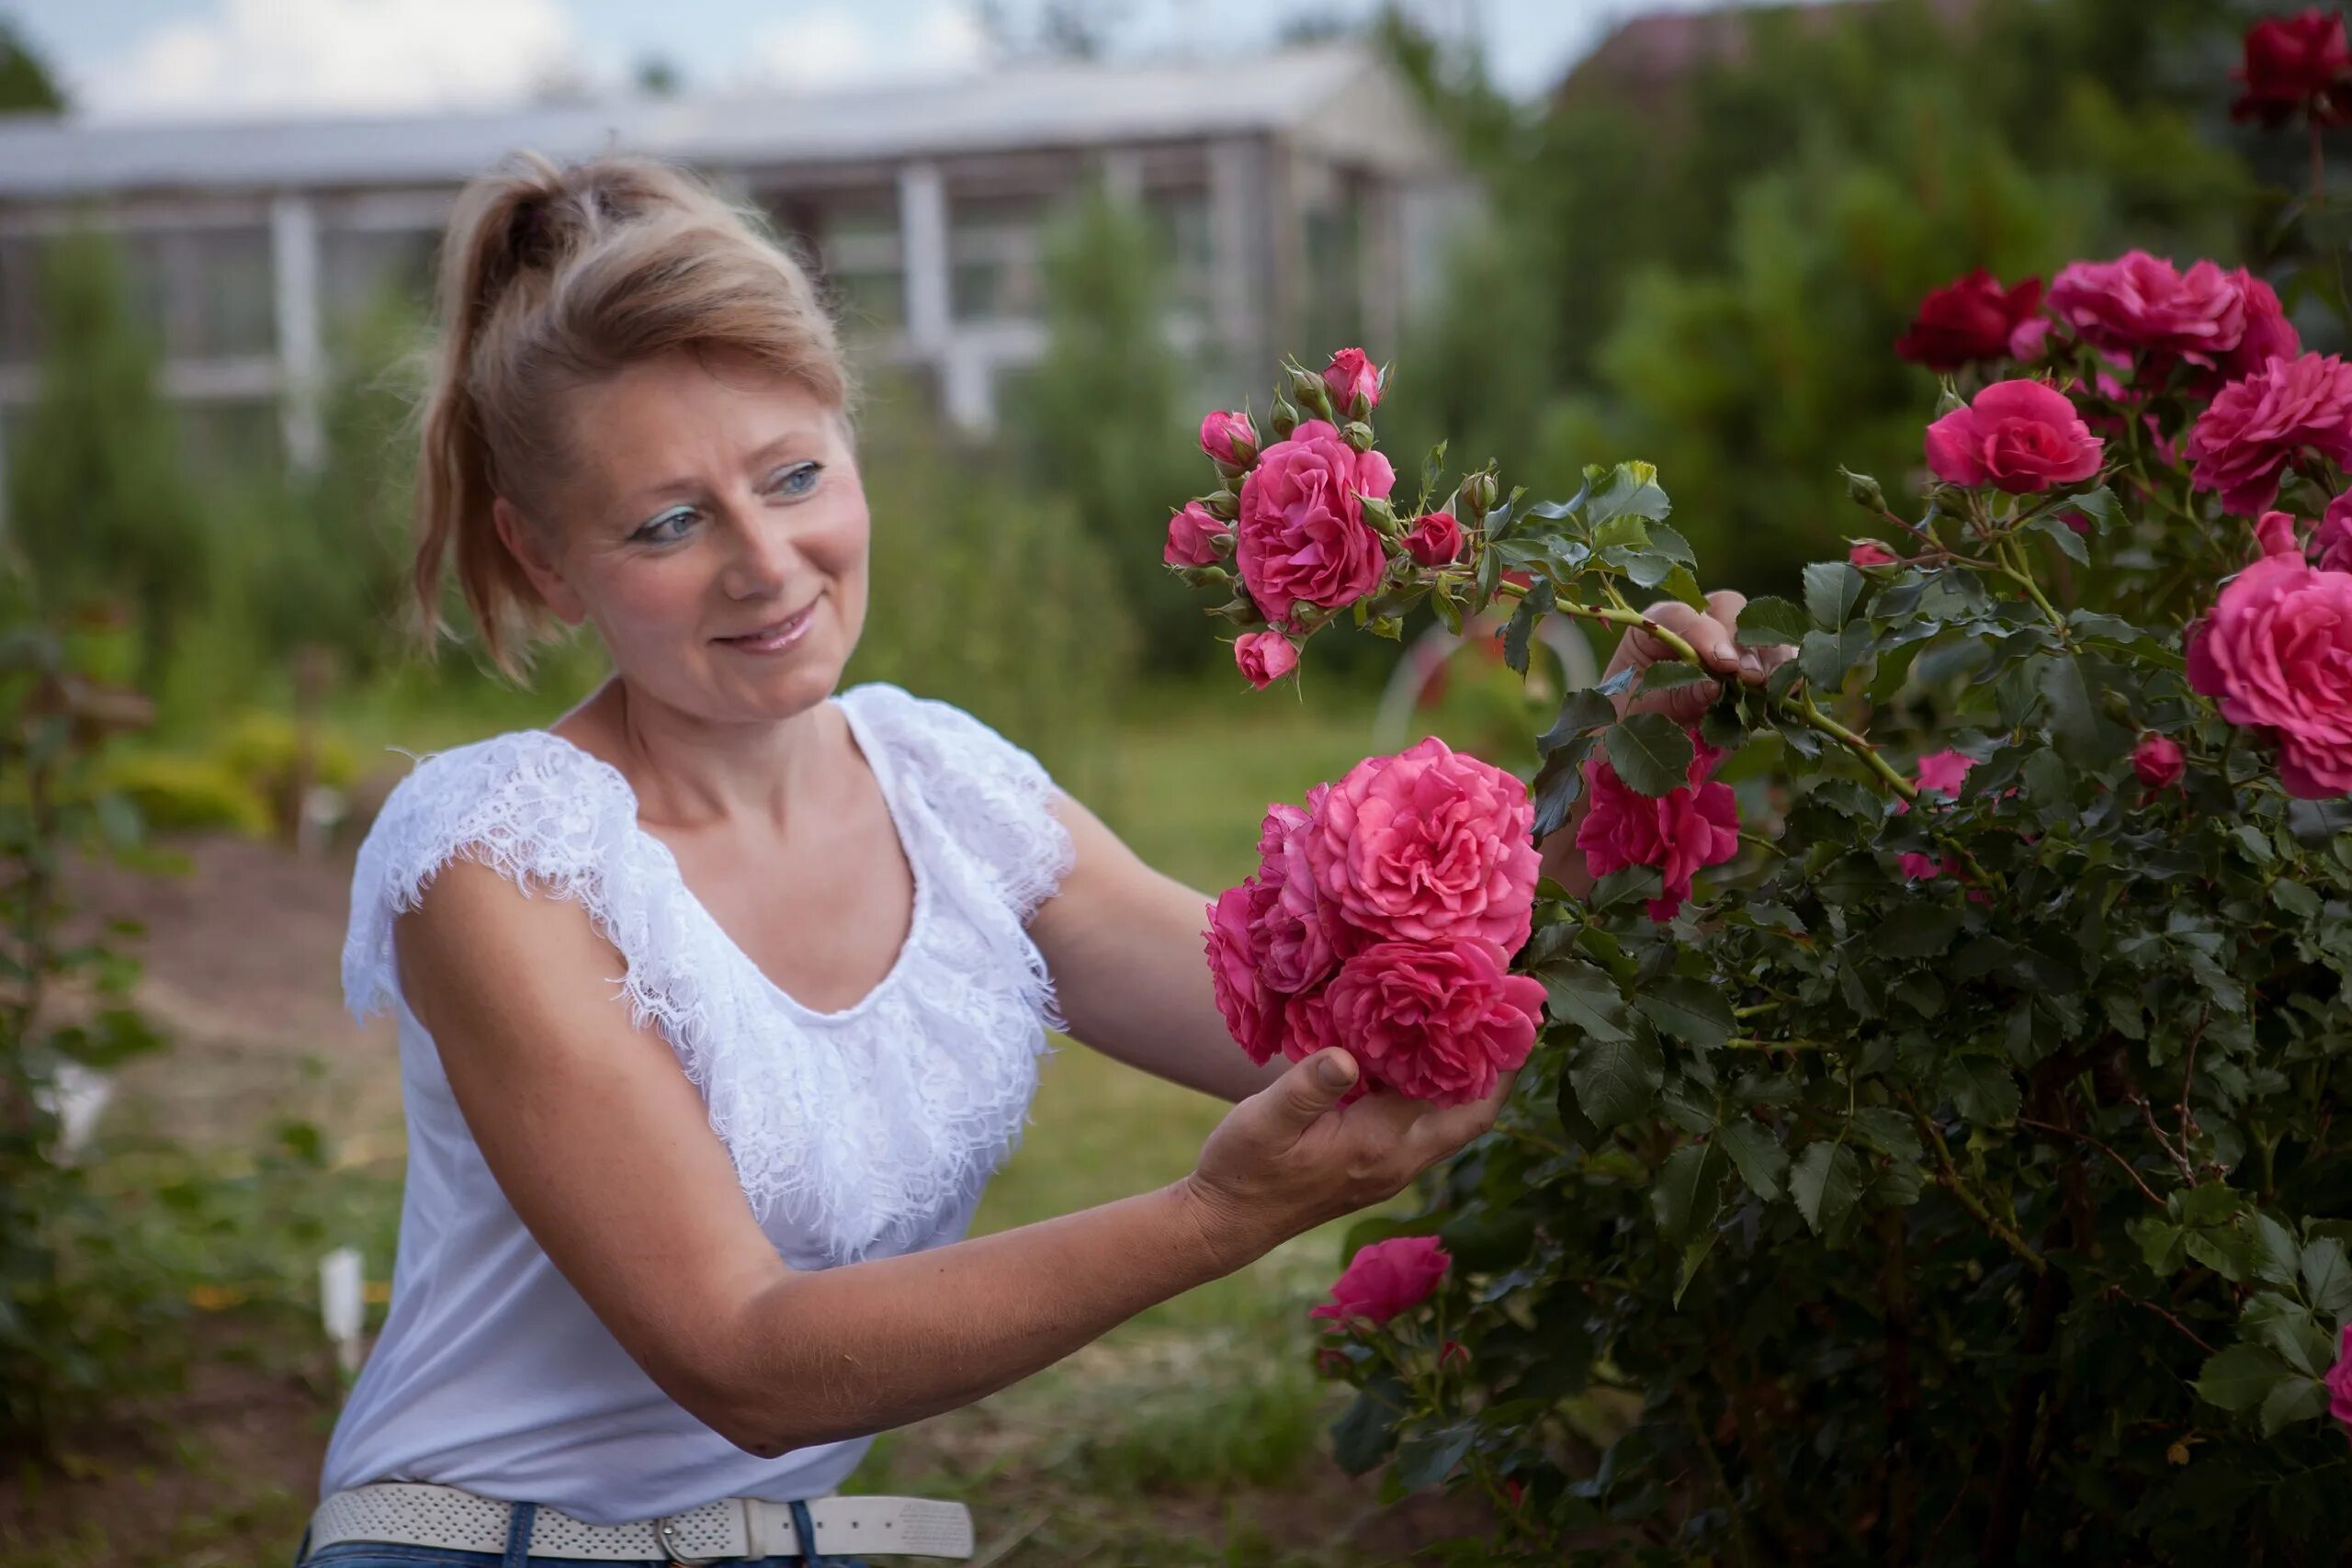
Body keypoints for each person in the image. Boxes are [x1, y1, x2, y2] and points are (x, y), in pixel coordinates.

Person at [298, 152, 1770, 1568]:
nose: (763, 561)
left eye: (794, 474)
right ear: (545, 558)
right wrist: (1211, 1222)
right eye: (668, 523)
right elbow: (740, 1357)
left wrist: (1616, 784)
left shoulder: (946, 786)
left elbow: (1316, 1031)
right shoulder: (501, 859)